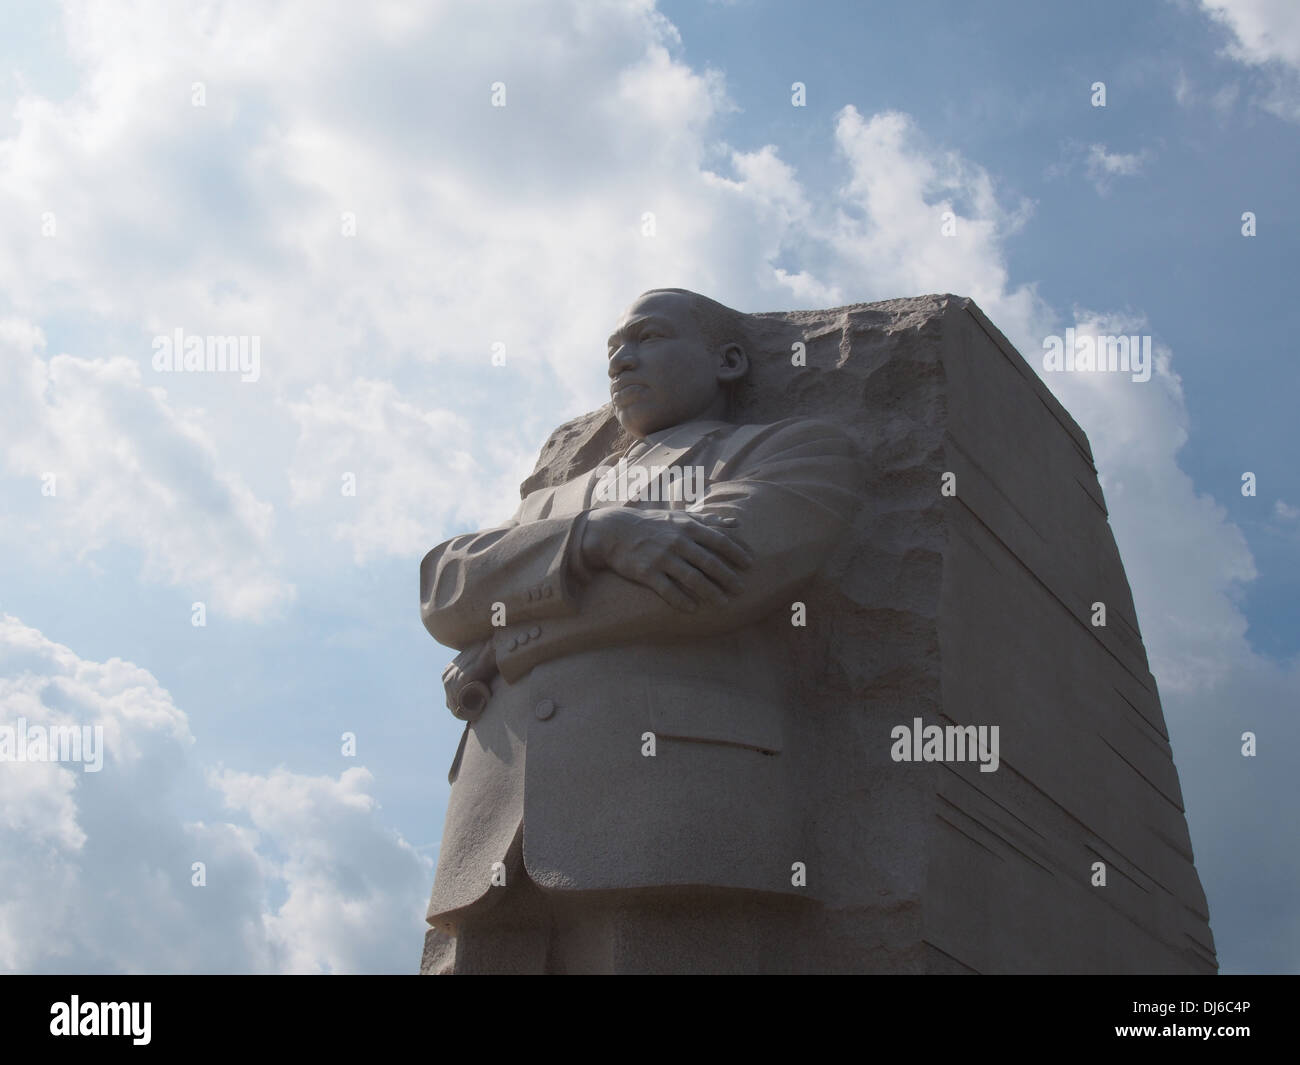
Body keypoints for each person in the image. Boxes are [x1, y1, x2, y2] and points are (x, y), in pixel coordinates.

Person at [419, 288, 863, 973]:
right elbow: (445, 588)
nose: (622, 361)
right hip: (492, 832)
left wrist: (503, 643)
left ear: (730, 360)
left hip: (670, 814)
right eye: (612, 351)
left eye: (648, 338)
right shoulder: (547, 504)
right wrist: (594, 539)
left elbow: (719, 577)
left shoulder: (789, 450)